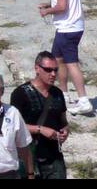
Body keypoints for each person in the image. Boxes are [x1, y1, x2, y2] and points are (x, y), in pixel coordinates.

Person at [38, 0, 93, 116]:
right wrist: (49, 4)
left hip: (68, 28)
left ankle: (84, 100)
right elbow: (66, 1)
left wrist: (47, 11)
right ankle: (63, 94)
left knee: (71, 63)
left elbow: (63, 6)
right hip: (70, 27)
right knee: (58, 60)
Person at [10, 51, 69, 179]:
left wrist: (65, 132)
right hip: (29, 158)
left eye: (55, 70)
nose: (53, 74)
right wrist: (40, 130)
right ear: (37, 68)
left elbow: (63, 121)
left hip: (54, 158)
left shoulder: (57, 93)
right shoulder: (20, 94)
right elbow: (13, 125)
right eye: (48, 70)